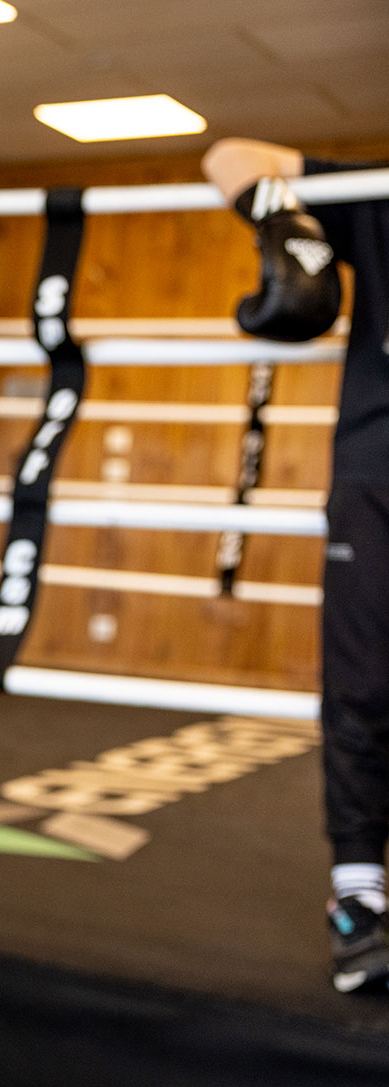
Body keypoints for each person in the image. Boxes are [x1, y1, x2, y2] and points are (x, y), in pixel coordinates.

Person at [204, 139, 389, 995]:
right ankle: (359, 894)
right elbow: (230, 156)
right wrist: (283, 221)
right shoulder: (379, 195)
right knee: (361, 683)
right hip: (376, 477)